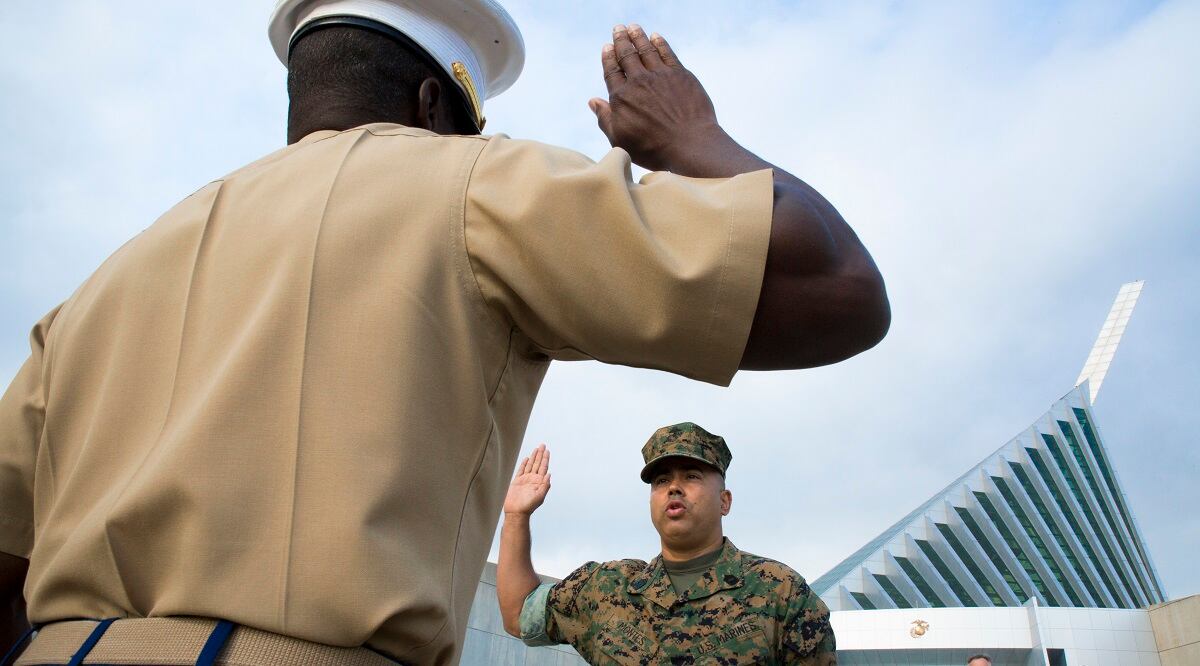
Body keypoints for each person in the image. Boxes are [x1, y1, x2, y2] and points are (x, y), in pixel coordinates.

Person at [0, 0, 888, 663]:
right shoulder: (466, 186)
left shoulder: (98, 289)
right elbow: (839, 287)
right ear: (435, 105)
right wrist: (694, 135)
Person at [497, 424, 836, 665]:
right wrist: (515, 517)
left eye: (691, 475)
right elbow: (517, 615)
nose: (674, 488)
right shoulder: (607, 588)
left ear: (724, 501)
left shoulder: (780, 591)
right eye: (661, 480)